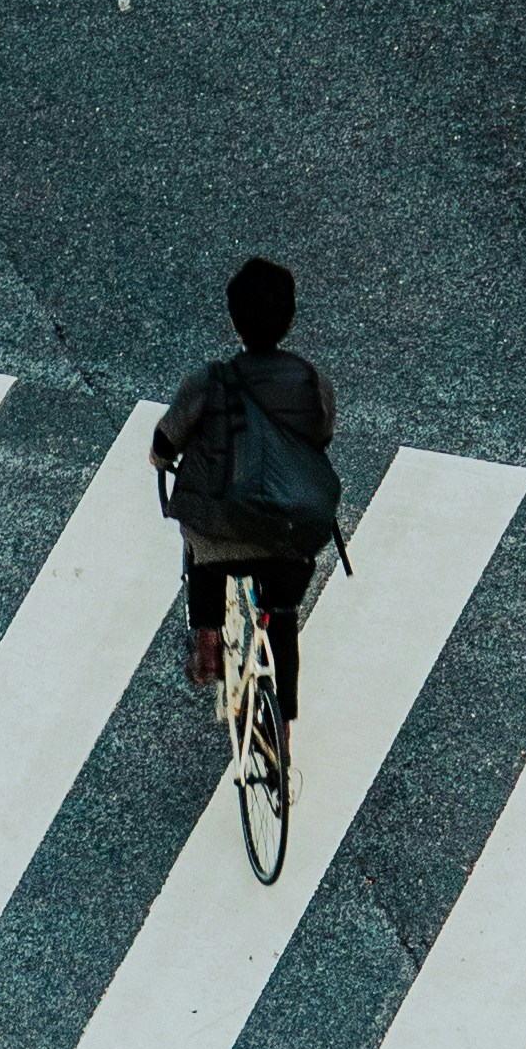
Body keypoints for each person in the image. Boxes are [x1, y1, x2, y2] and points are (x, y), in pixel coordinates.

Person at [153, 261, 339, 722]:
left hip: (223, 537)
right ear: (291, 318)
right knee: (282, 613)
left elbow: (166, 441)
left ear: (233, 322)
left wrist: (162, 461)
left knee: (202, 543)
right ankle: (284, 727)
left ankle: (208, 644)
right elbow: (322, 435)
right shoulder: (311, 381)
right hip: (292, 535)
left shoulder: (210, 382)